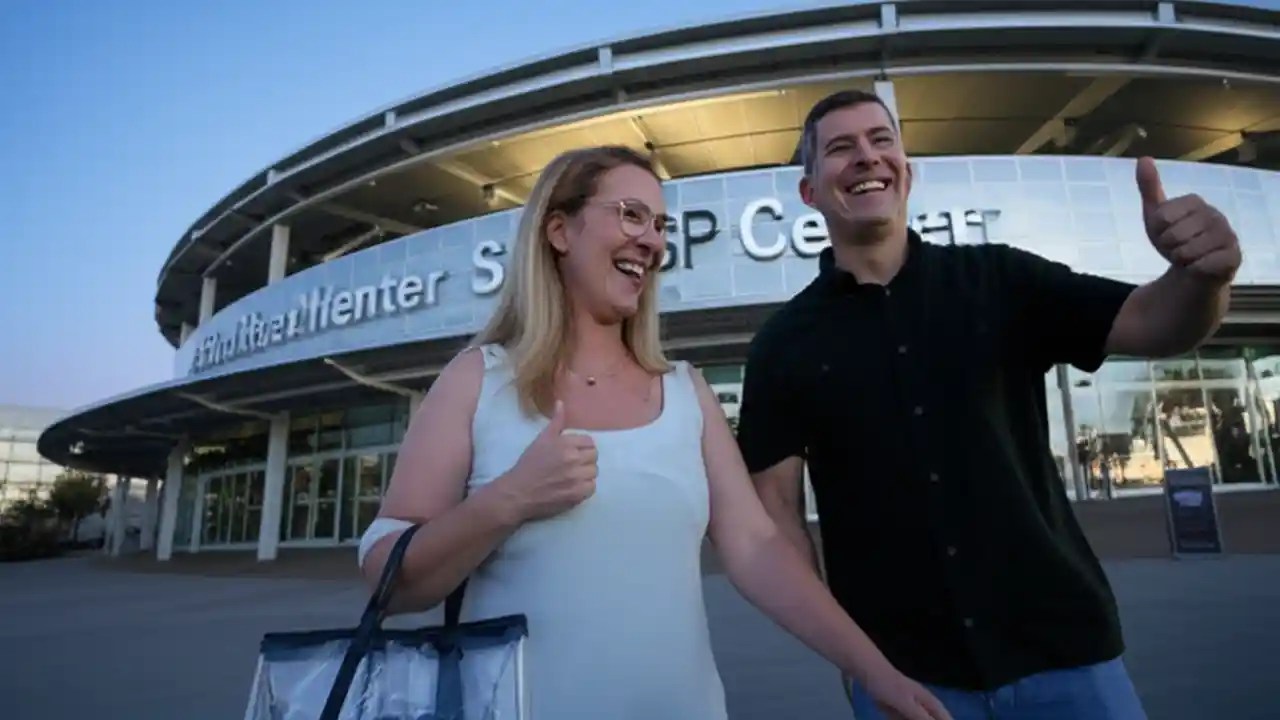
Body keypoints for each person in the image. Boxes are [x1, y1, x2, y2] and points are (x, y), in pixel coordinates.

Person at [358, 145, 954, 720]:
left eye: (661, 225)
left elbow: (757, 547)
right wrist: (508, 499)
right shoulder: (478, 379)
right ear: (559, 231)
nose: (651, 240)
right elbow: (388, 577)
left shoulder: (686, 393)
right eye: (630, 215)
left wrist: (874, 671)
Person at [736, 88, 1242, 720]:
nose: (867, 157)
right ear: (809, 191)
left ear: (906, 173)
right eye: (841, 148)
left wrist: (1204, 278)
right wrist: (854, 658)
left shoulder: (1001, 280)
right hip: (906, 681)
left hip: (1069, 662)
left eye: (881, 140)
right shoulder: (783, 346)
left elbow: (1155, 323)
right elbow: (777, 520)